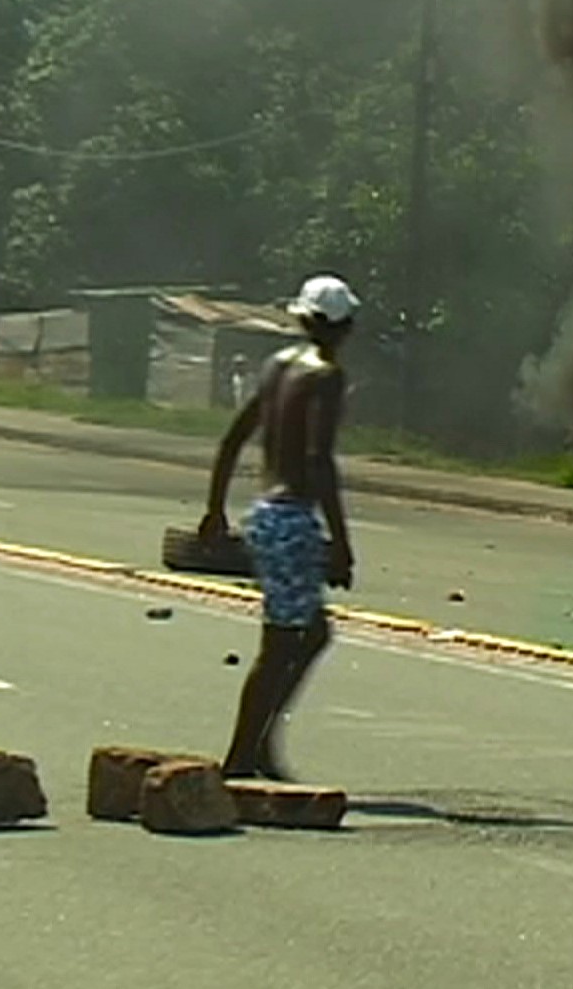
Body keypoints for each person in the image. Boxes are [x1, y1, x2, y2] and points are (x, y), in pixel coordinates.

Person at [201, 274, 360, 780]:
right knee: (281, 646)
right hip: (292, 519)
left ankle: (261, 742)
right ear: (343, 327)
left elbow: (232, 439)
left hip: (265, 515)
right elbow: (318, 461)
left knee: (309, 634)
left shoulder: (276, 367)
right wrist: (341, 543)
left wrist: (215, 508)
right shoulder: (325, 375)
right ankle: (243, 755)